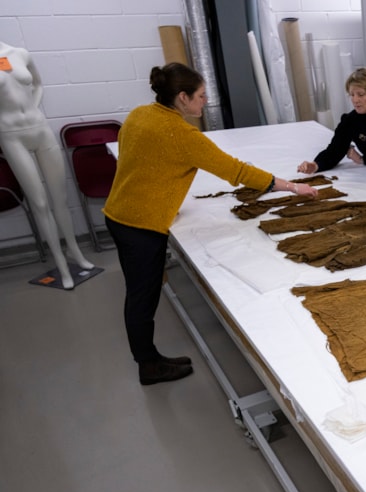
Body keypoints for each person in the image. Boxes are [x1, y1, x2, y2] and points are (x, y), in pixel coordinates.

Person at [103, 62, 317, 385]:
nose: (205, 102)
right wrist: (291, 186)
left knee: (138, 292)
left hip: (116, 214)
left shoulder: (138, 115)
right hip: (142, 228)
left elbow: (137, 160)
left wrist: (161, 198)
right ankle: (147, 364)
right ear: (182, 97)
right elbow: (236, 172)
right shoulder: (183, 135)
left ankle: (146, 358)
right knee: (141, 297)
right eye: (201, 96)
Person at [0, 42, 94, 289]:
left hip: (40, 128)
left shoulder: (19, 53)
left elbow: (39, 84)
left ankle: (75, 252)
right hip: (10, 134)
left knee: (60, 198)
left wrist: (34, 106)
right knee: (40, 203)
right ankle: (61, 263)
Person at [296, 67, 366, 173]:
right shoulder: (350, 120)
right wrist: (315, 165)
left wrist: (362, 160)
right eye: (352, 95)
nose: (355, 100)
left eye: (361, 94)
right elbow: (335, 149)